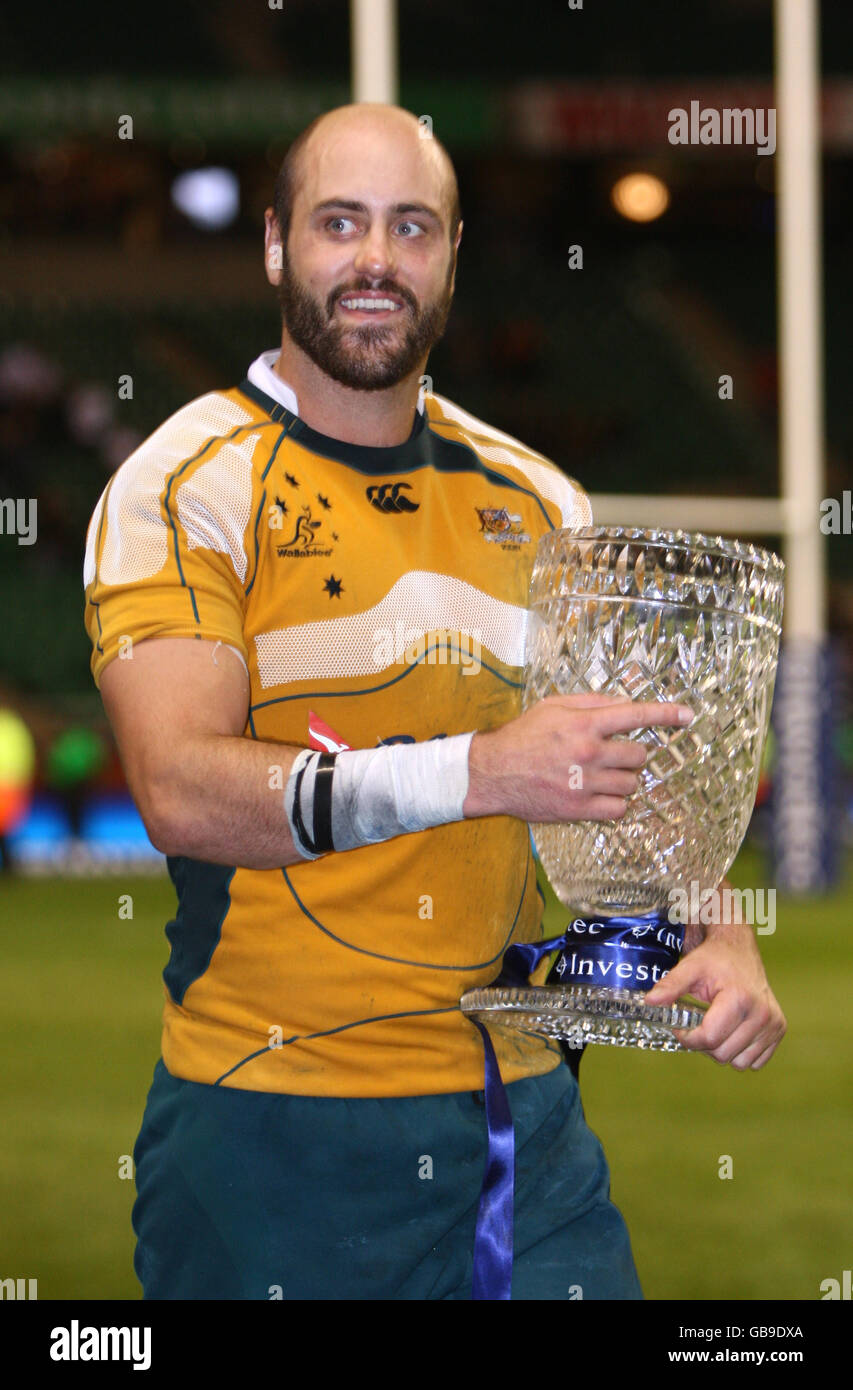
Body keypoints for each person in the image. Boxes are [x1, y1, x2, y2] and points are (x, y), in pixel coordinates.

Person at [83, 104, 785, 1301]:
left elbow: (618, 772)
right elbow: (180, 789)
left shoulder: (543, 501)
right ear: (274, 246)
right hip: (274, 1127)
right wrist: (481, 769)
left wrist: (714, 923)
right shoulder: (185, 482)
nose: (374, 259)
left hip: (522, 1124)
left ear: (451, 254)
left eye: (411, 228)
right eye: (338, 223)